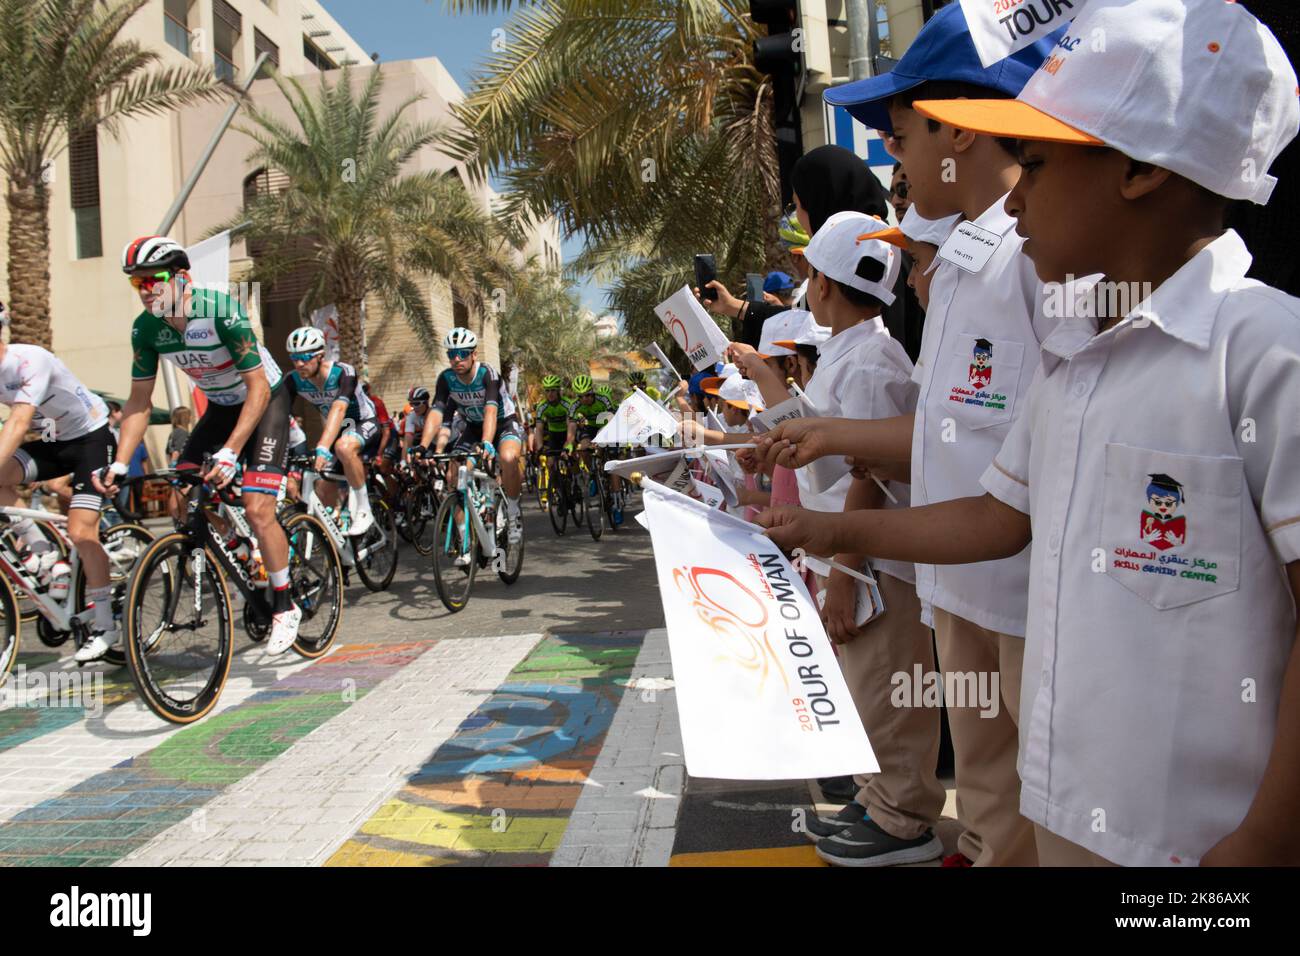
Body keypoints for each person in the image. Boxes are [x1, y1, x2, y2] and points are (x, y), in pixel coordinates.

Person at [886, 0, 1297, 867]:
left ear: (1142, 169)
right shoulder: (1074, 363)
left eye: (1034, 162)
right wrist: (831, 530)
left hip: (1196, 849)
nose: (1017, 194)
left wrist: (1265, 836)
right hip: (1066, 815)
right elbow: (999, 518)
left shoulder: (1265, 354)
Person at [98, 235, 302, 654]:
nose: (147, 290)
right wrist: (119, 463)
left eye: (154, 279)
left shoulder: (221, 311)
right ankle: (242, 549)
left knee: (258, 506)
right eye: (138, 283)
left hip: (265, 403)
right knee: (181, 492)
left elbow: (258, 388)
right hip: (223, 407)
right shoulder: (147, 329)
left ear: (182, 278)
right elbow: (138, 403)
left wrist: (230, 451)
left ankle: (285, 605)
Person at [0, 317, 119, 662]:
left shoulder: (28, 360)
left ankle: (105, 623)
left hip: (92, 439)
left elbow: (19, 422)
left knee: (82, 531)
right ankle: (47, 557)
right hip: (54, 443)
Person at [415, 328, 525, 543]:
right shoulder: (446, 379)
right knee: (453, 474)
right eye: (452, 354)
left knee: (508, 458)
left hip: (504, 424)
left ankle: (513, 513)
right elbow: (436, 412)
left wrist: (486, 442)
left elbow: (491, 410)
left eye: (463, 353)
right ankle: (465, 536)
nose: (457, 359)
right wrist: (423, 446)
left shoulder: (487, 374)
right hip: (473, 428)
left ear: (474, 354)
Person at [282, 326, 376, 536]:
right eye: (294, 358)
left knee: (344, 446)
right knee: (322, 486)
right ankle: (335, 545)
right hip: (338, 432)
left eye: (305, 358)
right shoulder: (294, 379)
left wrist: (323, 447)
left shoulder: (343, 372)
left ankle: (364, 509)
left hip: (364, 422)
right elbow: (279, 415)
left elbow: (339, 408)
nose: (299, 364)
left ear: (320, 355)